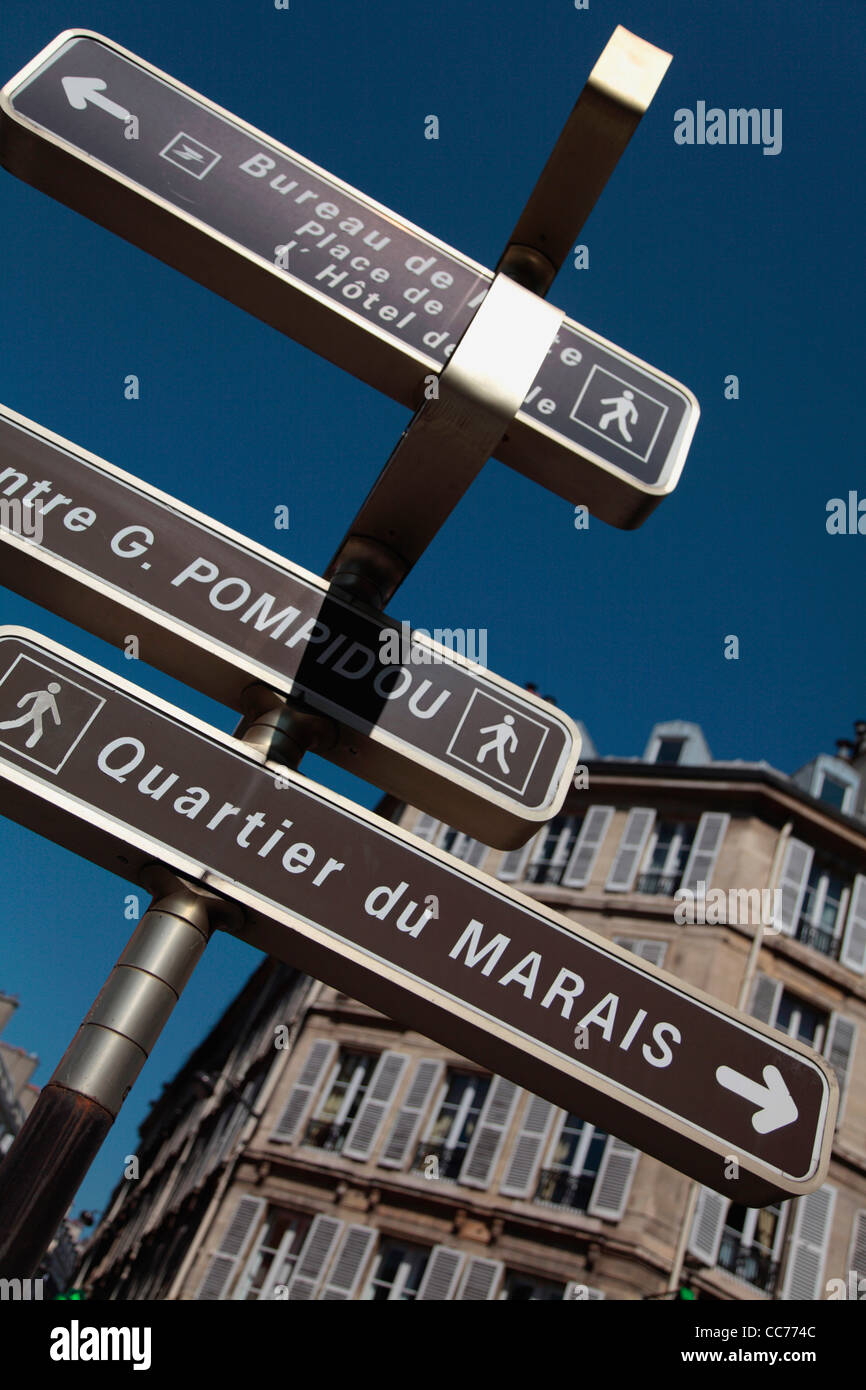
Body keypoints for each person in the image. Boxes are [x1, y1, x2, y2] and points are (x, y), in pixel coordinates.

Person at [0, 682, 63, 748]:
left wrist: (21, 704)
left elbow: (29, 695)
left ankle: (29, 744)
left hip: (36, 714)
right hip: (35, 713)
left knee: (23, 724)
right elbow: (54, 710)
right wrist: (57, 721)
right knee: (33, 728)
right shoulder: (47, 696)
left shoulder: (46, 695)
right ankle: (2, 726)